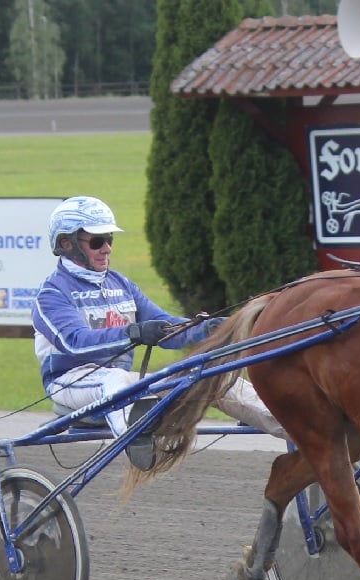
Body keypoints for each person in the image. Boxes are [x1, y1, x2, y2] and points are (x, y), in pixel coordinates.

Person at [32, 195, 285, 468]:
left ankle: (293, 424)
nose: (106, 249)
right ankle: (137, 441)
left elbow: (164, 326)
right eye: (97, 241)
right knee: (116, 379)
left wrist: (208, 329)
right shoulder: (52, 294)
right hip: (72, 383)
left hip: (126, 386)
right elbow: (75, 343)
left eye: (109, 239)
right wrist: (133, 332)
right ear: (67, 244)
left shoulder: (121, 285)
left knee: (210, 375)